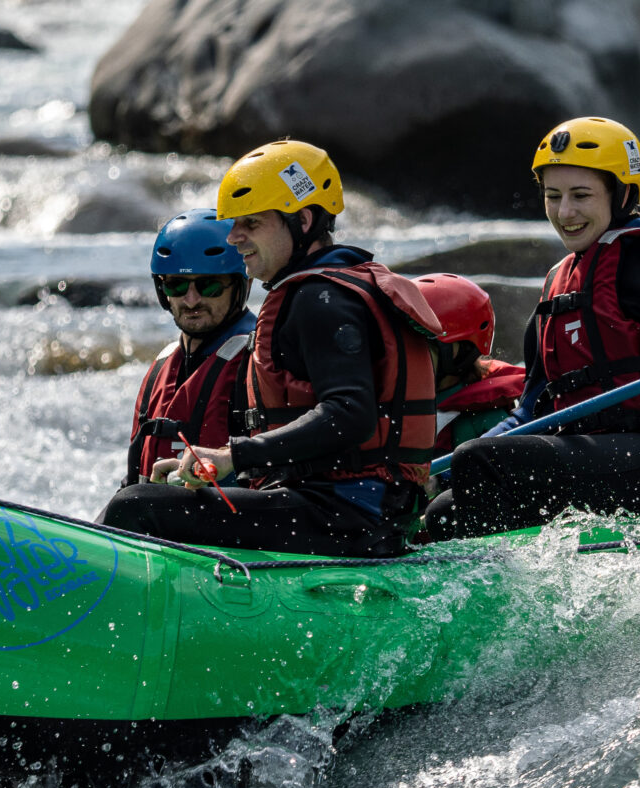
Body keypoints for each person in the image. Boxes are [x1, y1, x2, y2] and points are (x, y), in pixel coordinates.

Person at [423, 116, 640, 538]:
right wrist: (432, 469)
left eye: (581, 195)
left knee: (481, 461)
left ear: (622, 195)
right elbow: (532, 410)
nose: (565, 213)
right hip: (596, 458)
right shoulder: (557, 282)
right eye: (553, 196)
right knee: (443, 508)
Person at [99, 141, 442, 557]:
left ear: (302, 220)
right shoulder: (330, 289)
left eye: (251, 224)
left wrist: (233, 455)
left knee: (136, 506)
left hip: (348, 514)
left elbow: (349, 414)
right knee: (151, 497)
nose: (234, 237)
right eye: (234, 224)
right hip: (350, 506)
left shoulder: (320, 300)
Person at [123, 210, 256, 487]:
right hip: (157, 519)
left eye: (209, 286)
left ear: (243, 284)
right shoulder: (162, 364)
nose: (191, 300)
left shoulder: (260, 359)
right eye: (177, 285)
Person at [415, 273, 525, 456]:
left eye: (422, 347)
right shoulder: (393, 408)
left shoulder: (487, 420)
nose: (406, 358)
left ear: (462, 351)